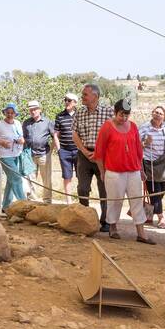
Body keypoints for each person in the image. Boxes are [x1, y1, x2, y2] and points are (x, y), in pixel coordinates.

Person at [94, 98, 153, 243]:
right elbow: (99, 152)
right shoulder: (107, 127)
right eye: (121, 114)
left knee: (137, 200)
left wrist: (141, 169)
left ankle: (141, 232)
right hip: (114, 172)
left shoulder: (132, 126)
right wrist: (102, 171)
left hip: (133, 170)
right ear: (115, 112)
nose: (124, 118)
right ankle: (112, 226)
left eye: (127, 115)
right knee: (115, 200)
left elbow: (138, 149)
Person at [72, 84, 114, 233]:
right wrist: (83, 150)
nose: (82, 97)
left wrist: (100, 152)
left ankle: (106, 221)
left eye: (85, 95)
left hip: (103, 156)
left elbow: (114, 134)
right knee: (82, 187)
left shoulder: (109, 112)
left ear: (95, 96)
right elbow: (75, 134)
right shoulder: (79, 112)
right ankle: (85, 218)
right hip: (84, 155)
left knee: (104, 188)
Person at [138, 106, 165, 227]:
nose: (157, 115)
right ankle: (161, 218)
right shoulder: (144, 127)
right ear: (152, 113)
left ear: (164, 116)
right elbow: (135, 145)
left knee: (163, 189)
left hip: (162, 162)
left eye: (160, 114)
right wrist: (145, 143)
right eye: (155, 112)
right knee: (155, 192)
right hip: (149, 162)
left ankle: (151, 210)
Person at [0, 103, 26, 210]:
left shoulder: (17, 123)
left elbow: (22, 138)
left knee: (11, 180)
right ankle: (24, 204)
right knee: (16, 178)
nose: (10, 115)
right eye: (8, 113)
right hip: (5, 156)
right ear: (5, 113)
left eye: (12, 113)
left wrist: (21, 141)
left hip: (17, 154)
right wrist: (1, 143)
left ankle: (5, 206)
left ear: (15, 114)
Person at [22, 100, 56, 202]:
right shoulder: (26, 123)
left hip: (44, 154)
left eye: (35, 109)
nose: (33, 111)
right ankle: (33, 200)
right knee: (30, 178)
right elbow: (23, 137)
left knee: (46, 179)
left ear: (39, 109)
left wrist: (51, 150)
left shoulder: (47, 122)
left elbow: (55, 136)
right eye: (31, 110)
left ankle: (47, 200)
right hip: (30, 155)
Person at [55, 94, 79, 199]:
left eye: (69, 100)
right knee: (67, 177)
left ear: (75, 102)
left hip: (79, 151)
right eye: (65, 100)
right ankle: (68, 201)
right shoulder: (59, 116)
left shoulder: (80, 115)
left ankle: (81, 201)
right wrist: (59, 149)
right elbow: (56, 134)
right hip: (64, 151)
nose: (66, 102)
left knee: (81, 177)